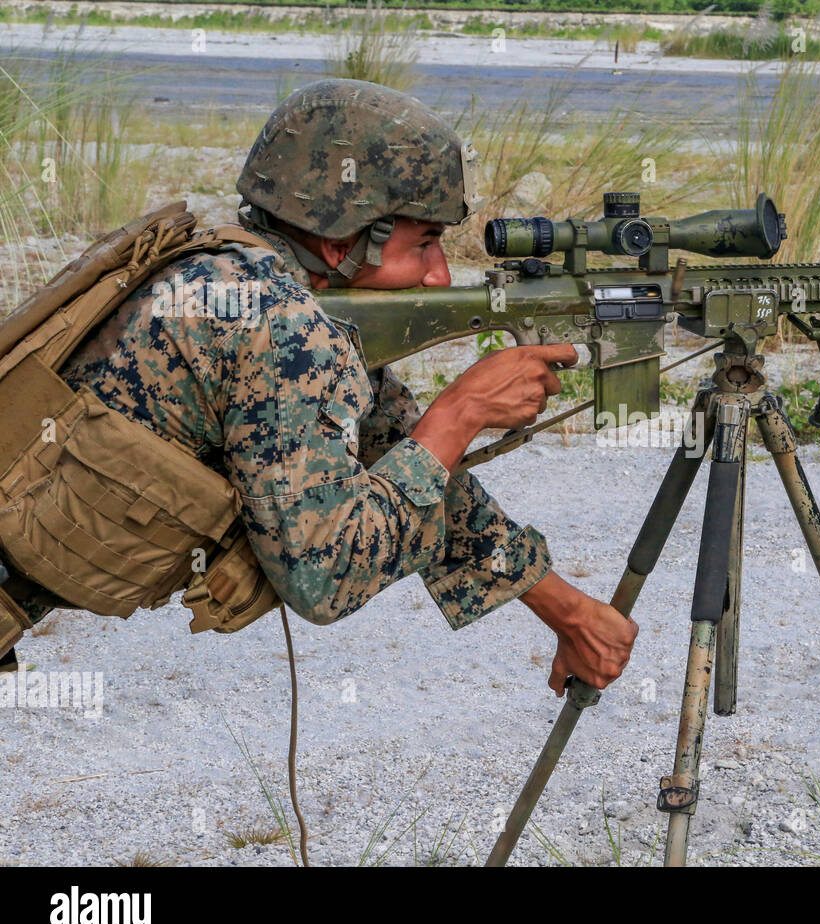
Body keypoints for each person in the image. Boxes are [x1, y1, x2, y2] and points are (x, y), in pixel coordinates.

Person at [32, 78, 638, 696]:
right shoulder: (283, 327)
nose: (440, 275)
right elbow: (327, 578)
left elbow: (403, 456)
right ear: (342, 242)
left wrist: (569, 612)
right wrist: (464, 409)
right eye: (424, 243)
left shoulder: (237, 270)